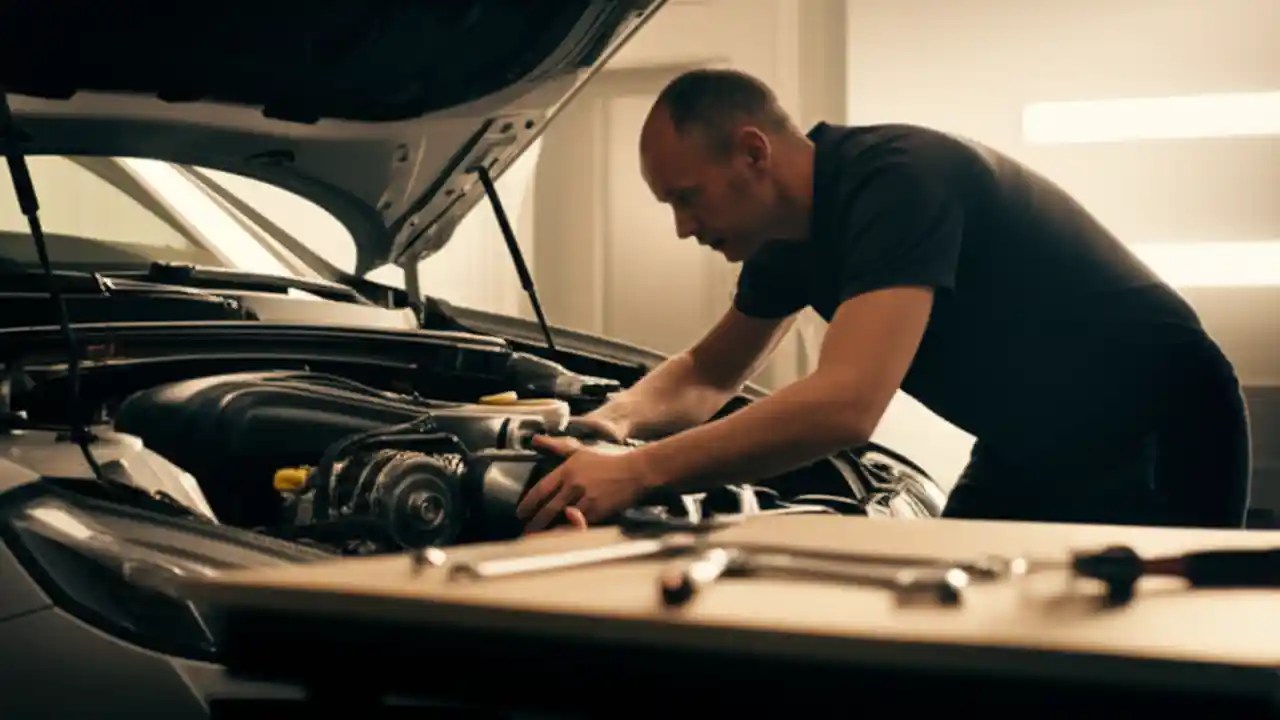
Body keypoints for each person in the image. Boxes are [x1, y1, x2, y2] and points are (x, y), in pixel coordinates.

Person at [515, 68, 1252, 533]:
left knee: (1145, 683)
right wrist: (606, 425)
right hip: (1030, 444)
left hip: (1153, 425)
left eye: (687, 197)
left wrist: (640, 472)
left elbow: (846, 405)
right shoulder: (787, 239)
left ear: (753, 152)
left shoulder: (897, 181)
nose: (683, 227)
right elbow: (708, 373)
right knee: (950, 651)